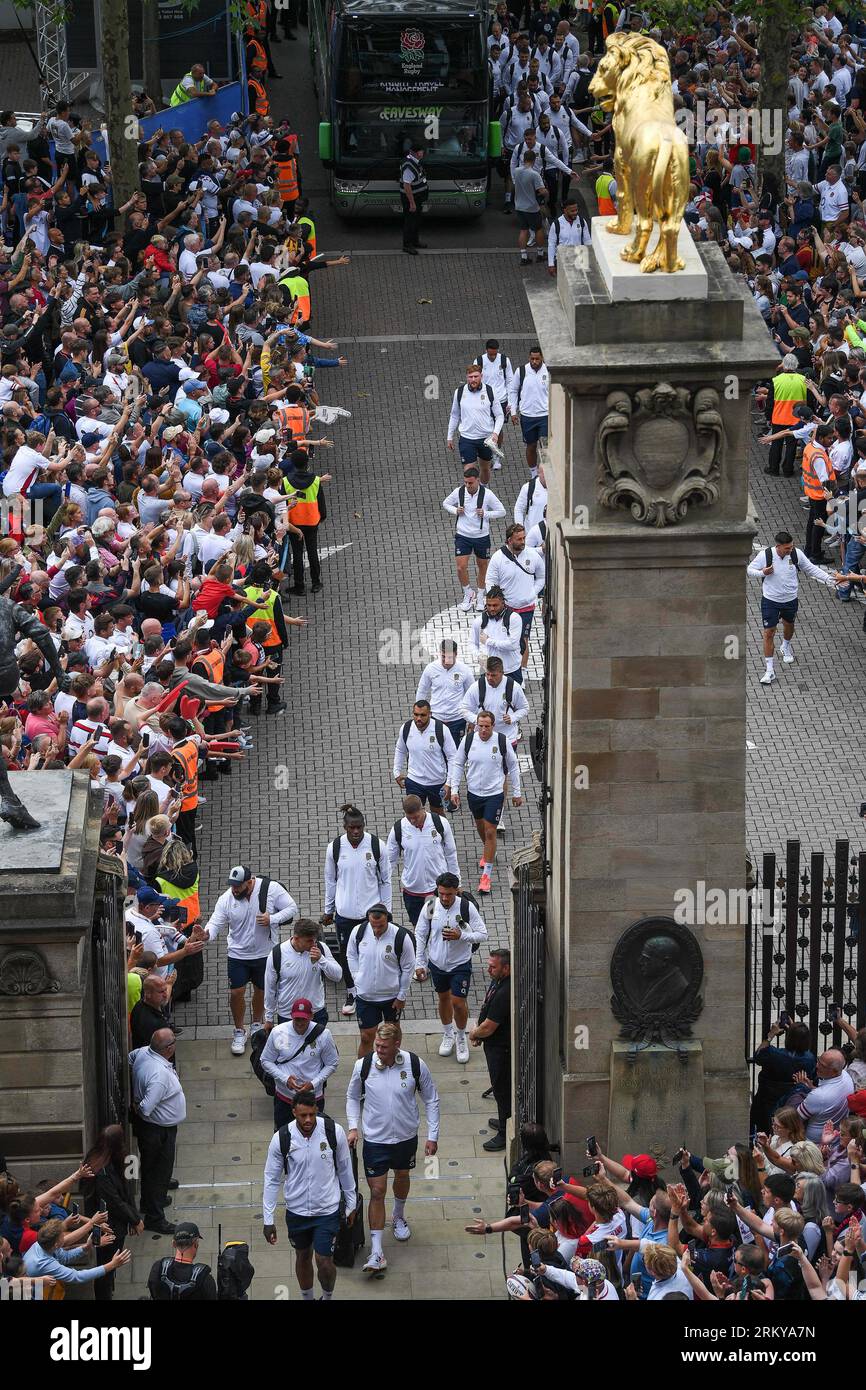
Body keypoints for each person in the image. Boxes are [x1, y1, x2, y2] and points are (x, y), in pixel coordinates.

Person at [346, 1021, 440, 1275]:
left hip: (405, 1138)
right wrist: (353, 1127)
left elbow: (431, 1098)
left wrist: (432, 1135)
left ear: (397, 1044)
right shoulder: (363, 1066)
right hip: (375, 1140)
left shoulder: (414, 1065)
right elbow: (353, 1096)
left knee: (402, 1176)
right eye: (377, 1045)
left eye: (384, 1047)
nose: (379, 1050)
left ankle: (398, 1215)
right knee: (377, 1191)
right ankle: (376, 1251)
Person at [262, 1093, 356, 1301]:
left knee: (323, 1260)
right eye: (303, 1115)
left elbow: (345, 1169)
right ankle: (307, 1298)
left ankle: (327, 1297)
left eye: (312, 1115)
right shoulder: (282, 1138)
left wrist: (351, 1204)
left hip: (327, 1211)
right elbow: (271, 1179)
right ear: (294, 1112)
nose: (308, 1120)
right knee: (303, 1256)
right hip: (297, 1212)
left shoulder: (333, 1132)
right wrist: (268, 1220)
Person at [204, 864, 299, 1055]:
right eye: (232, 886)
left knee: (261, 990)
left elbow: (291, 908)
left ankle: (257, 1023)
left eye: (238, 886)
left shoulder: (270, 889)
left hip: (265, 954)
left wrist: (272, 918)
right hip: (237, 955)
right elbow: (216, 922)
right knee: (236, 992)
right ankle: (239, 1030)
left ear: (250, 881)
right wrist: (206, 934)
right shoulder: (227, 898)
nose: (234, 889)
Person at [321, 803, 392, 1019]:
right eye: (351, 827)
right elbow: (330, 880)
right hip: (344, 915)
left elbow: (385, 880)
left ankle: (371, 989)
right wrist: (328, 910)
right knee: (347, 954)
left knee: (370, 952)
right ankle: (352, 992)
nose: (355, 832)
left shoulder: (377, 846)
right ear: (345, 827)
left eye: (359, 827)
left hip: (370, 915)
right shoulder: (334, 848)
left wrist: (386, 911)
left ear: (364, 826)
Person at [746, 529, 838, 685]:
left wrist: (829, 579)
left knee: (789, 626)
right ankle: (769, 671)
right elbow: (749, 570)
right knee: (768, 633)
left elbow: (811, 569)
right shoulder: (766, 555)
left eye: (791, 547)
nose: (790, 550)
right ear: (778, 546)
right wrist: (763, 572)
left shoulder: (796, 554)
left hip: (790, 600)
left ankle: (785, 646)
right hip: (770, 600)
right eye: (787, 548)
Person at [414, 872, 488, 1063]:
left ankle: (461, 1035)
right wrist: (420, 963)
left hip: (460, 963)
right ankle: (448, 1034)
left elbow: (482, 934)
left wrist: (461, 936)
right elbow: (421, 934)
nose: (445, 898)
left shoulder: (466, 906)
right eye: (441, 893)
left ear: (456, 891)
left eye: (449, 894)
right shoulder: (431, 905)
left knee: (458, 1002)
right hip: (437, 963)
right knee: (443, 998)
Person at [447, 710, 522, 894]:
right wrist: (455, 789)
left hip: (494, 794)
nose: (483, 730)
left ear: (492, 726)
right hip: (474, 793)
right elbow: (457, 763)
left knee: (490, 832)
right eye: (480, 726)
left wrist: (516, 792)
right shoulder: (469, 741)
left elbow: (513, 765)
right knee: (481, 827)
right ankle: (489, 850)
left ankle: (486, 876)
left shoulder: (501, 741)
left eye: (487, 726)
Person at [129, 1028, 186, 1235]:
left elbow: (130, 1058)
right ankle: (155, 1216)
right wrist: (137, 1103)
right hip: (158, 1130)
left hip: (156, 1128)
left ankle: (151, 1201)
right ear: (169, 1049)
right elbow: (145, 1108)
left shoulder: (144, 1052)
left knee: (152, 1170)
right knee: (159, 1173)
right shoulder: (159, 1075)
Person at [81, 1124, 143, 1300]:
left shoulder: (109, 1159)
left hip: (114, 1223)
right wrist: (135, 1219)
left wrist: (133, 1217)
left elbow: (126, 1189)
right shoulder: (102, 1171)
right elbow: (115, 1202)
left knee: (108, 1267)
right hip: (108, 1226)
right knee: (105, 1268)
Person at [259, 995, 340, 1129]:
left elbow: (332, 1063)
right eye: (297, 1018)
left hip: (313, 1098)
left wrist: (313, 1084)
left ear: (311, 1016)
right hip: (284, 1098)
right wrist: (285, 1079)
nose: (300, 1023)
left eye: (304, 1019)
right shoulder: (279, 1032)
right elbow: (266, 1060)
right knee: (282, 1136)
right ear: (291, 1016)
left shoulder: (323, 1035)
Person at [346, 904, 416, 1057]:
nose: (376, 930)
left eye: (381, 926)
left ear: (388, 921)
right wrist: (357, 976)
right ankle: (364, 1072)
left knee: (392, 1034)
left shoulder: (401, 937)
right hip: (366, 996)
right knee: (366, 1037)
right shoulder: (358, 932)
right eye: (373, 926)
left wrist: (401, 995)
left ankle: (392, 1063)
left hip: (391, 997)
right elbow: (351, 955)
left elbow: (408, 967)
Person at [387, 792, 461, 927]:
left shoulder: (440, 823)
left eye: (416, 817)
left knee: (432, 926)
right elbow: (389, 861)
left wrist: (457, 881)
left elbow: (450, 854)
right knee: (418, 927)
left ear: (423, 809)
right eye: (409, 818)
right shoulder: (399, 829)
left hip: (433, 891)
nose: (413, 821)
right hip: (412, 892)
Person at [442, 464, 506, 611]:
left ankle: (480, 595)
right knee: (460, 567)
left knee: (483, 566)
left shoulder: (487, 494)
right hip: (462, 535)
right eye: (465, 482)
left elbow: (502, 511)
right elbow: (445, 503)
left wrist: (486, 513)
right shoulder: (459, 492)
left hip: (481, 536)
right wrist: (455, 510)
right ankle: (468, 593)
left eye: (470, 483)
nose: (467, 485)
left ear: (477, 480)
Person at [263, 917, 342, 1029]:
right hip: (288, 1015)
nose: (313, 943)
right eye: (309, 941)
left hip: (315, 1013)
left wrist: (321, 959)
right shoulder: (277, 953)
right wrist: (269, 1018)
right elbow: (270, 987)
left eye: (315, 939)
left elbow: (338, 976)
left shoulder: (321, 948)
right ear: (296, 938)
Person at [470, 948, 512, 1152]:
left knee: (501, 1089)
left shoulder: (506, 991)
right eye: (488, 965)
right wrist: (479, 1032)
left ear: (506, 968)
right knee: (498, 1087)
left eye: (493, 966)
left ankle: (505, 1131)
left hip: (501, 1048)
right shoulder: (498, 981)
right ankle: (504, 1119)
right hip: (492, 1044)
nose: (488, 969)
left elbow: (490, 1026)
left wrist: (475, 1034)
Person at [22, 1216, 130, 1289]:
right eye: (62, 1236)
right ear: (56, 1244)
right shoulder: (43, 1262)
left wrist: (87, 1247)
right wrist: (111, 1265)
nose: (64, 1237)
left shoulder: (43, 1244)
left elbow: (64, 1257)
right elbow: (77, 1277)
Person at [749, 1019, 817, 1134]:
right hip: (792, 1105)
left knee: (763, 1132)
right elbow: (814, 1080)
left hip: (766, 1102)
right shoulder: (809, 1059)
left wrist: (771, 1035)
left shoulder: (773, 1054)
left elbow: (758, 1056)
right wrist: (796, 1032)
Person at [392, 699, 458, 814]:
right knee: (413, 814)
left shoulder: (441, 730)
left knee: (438, 815)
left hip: (437, 782)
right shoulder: (406, 728)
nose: (418, 718)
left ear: (430, 714)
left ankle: (442, 832)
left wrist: (449, 783)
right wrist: (396, 772)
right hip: (414, 781)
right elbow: (400, 749)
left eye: (422, 715)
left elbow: (453, 757)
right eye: (416, 714)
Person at [446, 364, 505, 486]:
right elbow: (454, 415)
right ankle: (471, 494)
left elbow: (499, 415)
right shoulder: (460, 392)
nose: (473, 379)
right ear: (467, 377)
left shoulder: (489, 391)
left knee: (485, 469)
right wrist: (449, 436)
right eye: (470, 377)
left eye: (476, 376)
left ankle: (483, 488)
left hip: (485, 439)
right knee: (469, 470)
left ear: (481, 376)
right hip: (467, 438)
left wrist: (495, 433)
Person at [415, 639, 474, 747]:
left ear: (456, 654)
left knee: (455, 754)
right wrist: (419, 714)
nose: (446, 661)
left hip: (457, 720)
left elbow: (473, 695)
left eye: (449, 657)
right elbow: (422, 691)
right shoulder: (431, 669)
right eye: (443, 656)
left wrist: (472, 720)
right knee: (434, 751)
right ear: (439, 653)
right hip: (435, 719)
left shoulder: (465, 670)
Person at [794, 1049, 855, 1140]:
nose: (817, 1066)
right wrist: (811, 1087)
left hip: (814, 1144)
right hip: (835, 1140)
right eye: (818, 1060)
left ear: (834, 1071)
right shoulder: (846, 1077)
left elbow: (795, 1119)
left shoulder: (818, 1096)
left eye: (822, 1065)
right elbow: (826, 1097)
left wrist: (800, 1088)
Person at [147, 1220, 217, 1300]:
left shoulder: (158, 1267)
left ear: (173, 1243)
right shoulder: (205, 1279)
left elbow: (153, 1292)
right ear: (196, 1244)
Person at [508, 346, 550, 475]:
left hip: (545, 415)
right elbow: (513, 391)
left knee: (545, 447)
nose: (534, 361)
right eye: (532, 358)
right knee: (531, 446)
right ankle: (533, 474)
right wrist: (513, 412)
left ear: (542, 358)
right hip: (527, 416)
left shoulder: (549, 371)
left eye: (537, 359)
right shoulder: (521, 371)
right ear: (529, 358)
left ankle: (546, 473)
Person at [400, 142, 428, 255]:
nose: (423, 153)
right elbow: (407, 186)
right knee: (410, 222)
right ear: (416, 153)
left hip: (417, 198)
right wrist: (412, 203)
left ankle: (415, 241)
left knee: (416, 221)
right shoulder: (409, 166)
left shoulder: (414, 162)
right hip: (411, 199)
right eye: (422, 151)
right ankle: (407, 245)